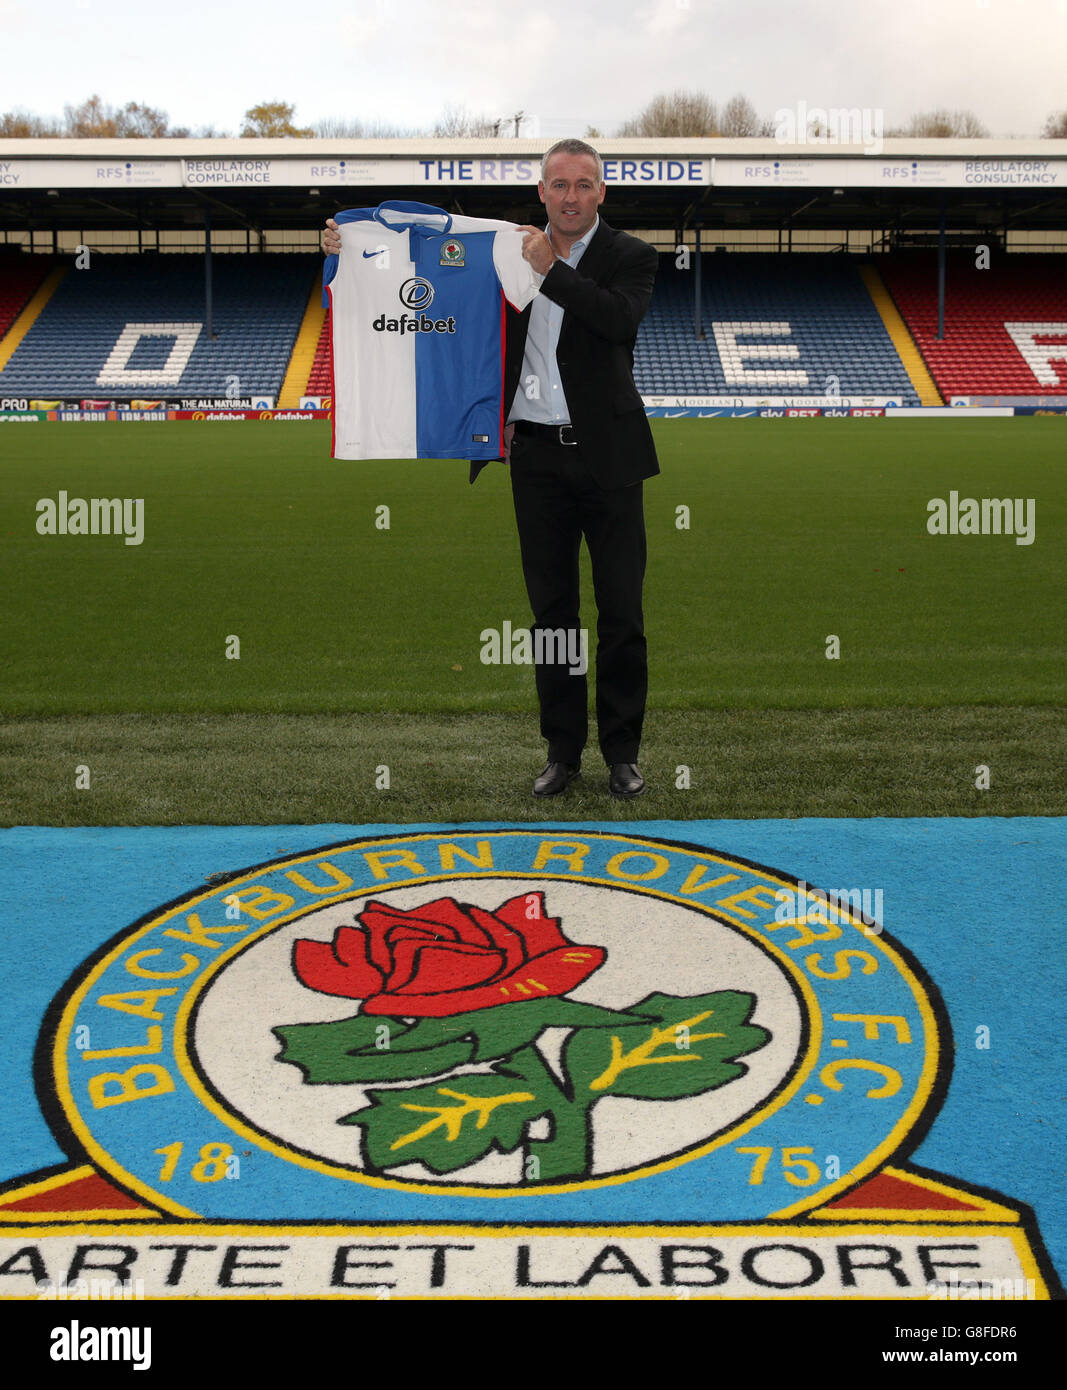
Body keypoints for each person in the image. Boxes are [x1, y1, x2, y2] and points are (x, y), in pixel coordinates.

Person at [323, 137, 659, 797]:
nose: (570, 197)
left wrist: (552, 268)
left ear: (601, 192)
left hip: (610, 459)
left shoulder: (632, 255)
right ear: (541, 191)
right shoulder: (504, 252)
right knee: (552, 614)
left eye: (583, 184)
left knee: (622, 613)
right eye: (558, 185)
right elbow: (427, 279)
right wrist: (351, 250)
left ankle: (622, 752)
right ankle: (561, 752)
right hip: (533, 457)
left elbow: (616, 321)